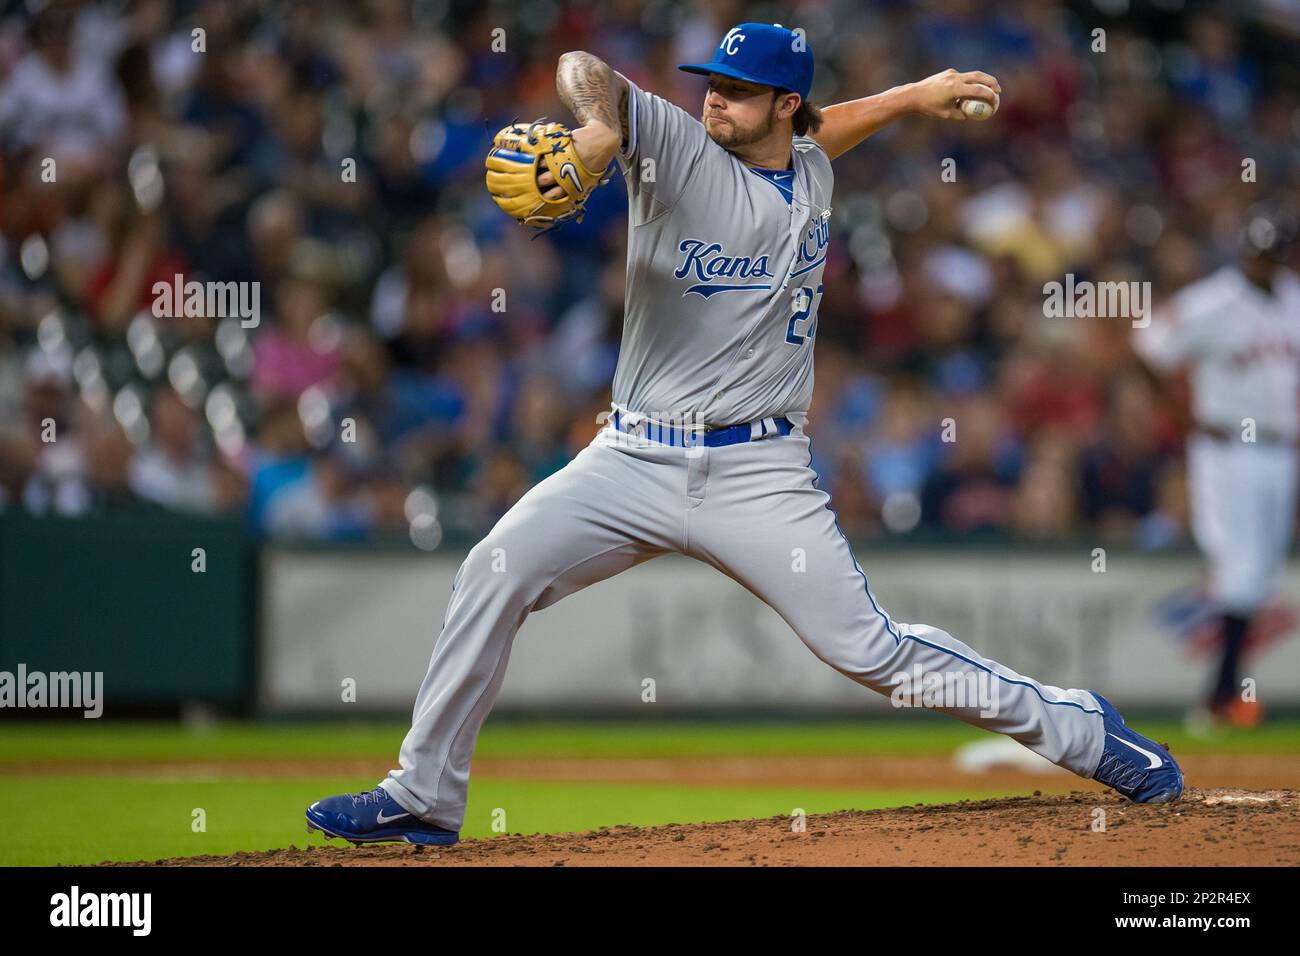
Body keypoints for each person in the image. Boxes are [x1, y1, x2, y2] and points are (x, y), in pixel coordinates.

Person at [307, 23, 1183, 847]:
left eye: (739, 91)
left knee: (869, 651)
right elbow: (588, 69)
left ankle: (1079, 728)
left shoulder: (810, 169)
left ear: (785, 108)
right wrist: (597, 134)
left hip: (758, 471)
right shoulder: (677, 146)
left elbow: (827, 132)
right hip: (632, 457)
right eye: (712, 84)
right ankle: (422, 796)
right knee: (492, 571)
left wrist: (913, 96)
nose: (714, 100)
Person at [1134, 200, 1300, 730]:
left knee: (1261, 571)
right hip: (1229, 448)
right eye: (1258, 253)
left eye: (1274, 253)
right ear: (1243, 252)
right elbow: (1148, 344)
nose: (1265, 262)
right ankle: (1225, 696)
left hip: (1283, 448)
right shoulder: (1213, 301)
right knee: (1239, 567)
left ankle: (1225, 693)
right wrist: (1183, 417)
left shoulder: (1294, 300)